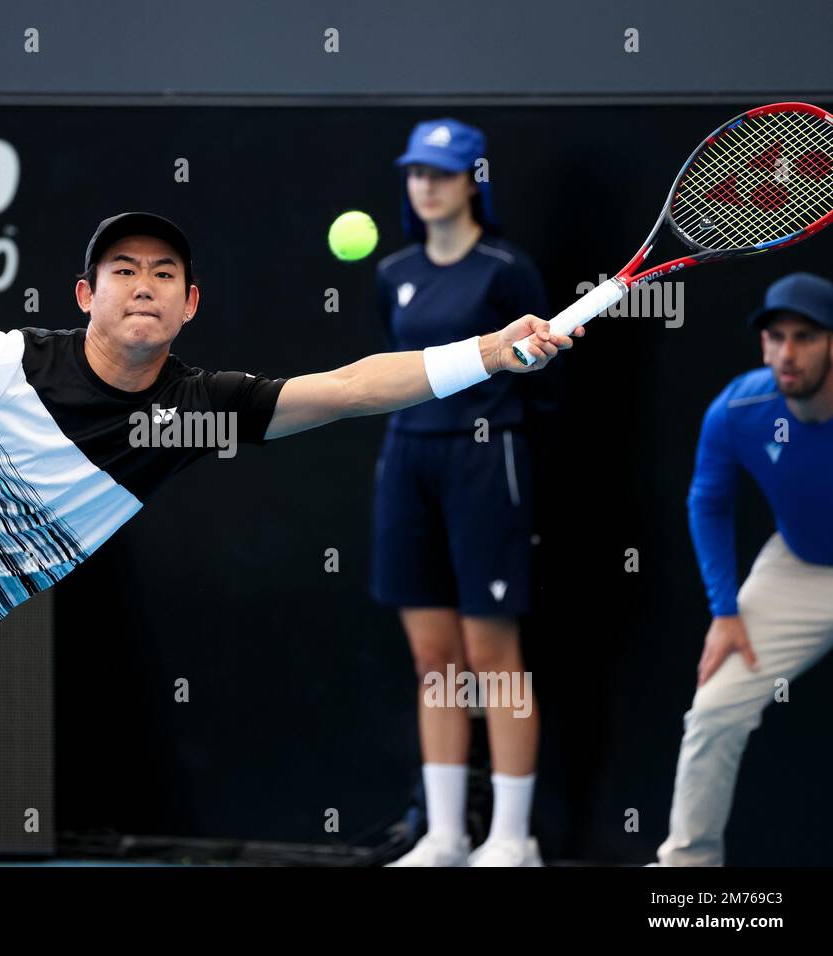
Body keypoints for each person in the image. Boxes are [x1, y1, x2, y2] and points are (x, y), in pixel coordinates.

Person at [0, 211, 577, 867]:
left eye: (164, 274)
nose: (145, 285)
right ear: (88, 294)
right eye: (124, 271)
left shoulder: (201, 409)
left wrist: (488, 351)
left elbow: (354, 385)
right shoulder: (10, 362)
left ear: (189, 305)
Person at [376, 119, 557, 867]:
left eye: (443, 173)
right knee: (432, 657)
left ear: (472, 181)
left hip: (486, 465)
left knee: (493, 656)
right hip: (406, 462)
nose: (426, 185)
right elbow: (389, 371)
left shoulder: (507, 268)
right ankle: (446, 835)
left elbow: (548, 390)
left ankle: (513, 838)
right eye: (417, 172)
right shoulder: (391, 272)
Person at [654, 272, 833, 867]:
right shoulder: (739, 409)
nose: (787, 353)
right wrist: (724, 611)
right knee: (713, 708)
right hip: (801, 568)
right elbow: (708, 500)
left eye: (805, 337)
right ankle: (688, 874)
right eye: (776, 336)